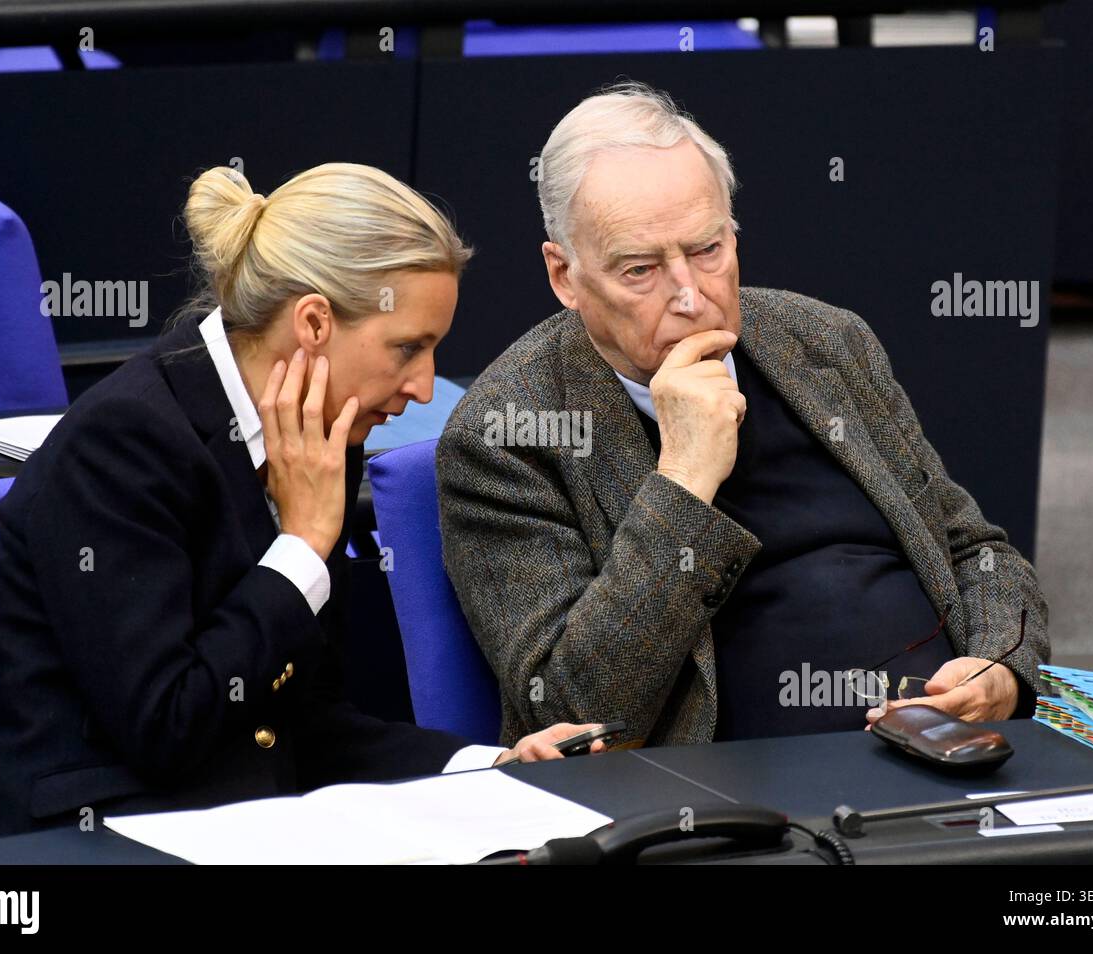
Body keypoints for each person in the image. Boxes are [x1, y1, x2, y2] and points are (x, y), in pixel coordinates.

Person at [0, 162, 602, 845]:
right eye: (408, 348)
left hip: (235, 819)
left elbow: (303, 721)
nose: (425, 387)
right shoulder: (123, 443)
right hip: (74, 839)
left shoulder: (321, 436)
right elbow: (165, 726)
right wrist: (303, 548)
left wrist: (490, 768)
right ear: (312, 321)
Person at [437, 82, 1050, 748]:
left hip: (944, 745)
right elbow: (569, 707)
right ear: (564, 276)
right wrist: (684, 482)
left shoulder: (824, 340)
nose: (690, 297)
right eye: (640, 269)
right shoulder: (507, 432)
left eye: (707, 251)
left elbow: (976, 551)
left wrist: (1002, 667)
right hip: (730, 804)